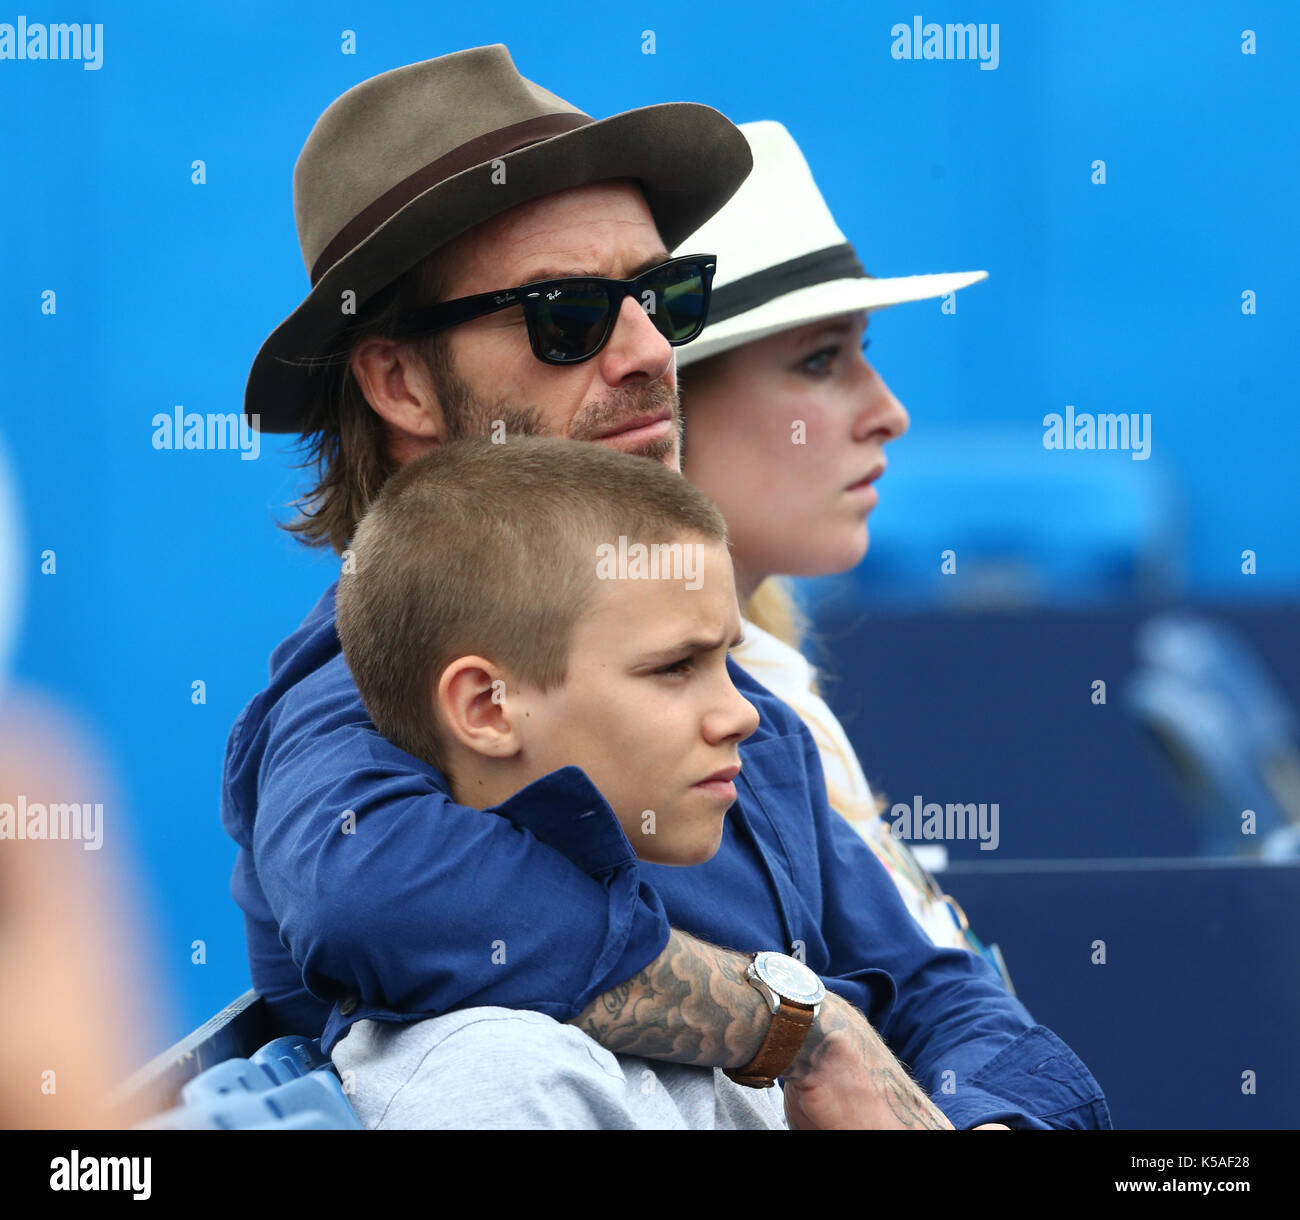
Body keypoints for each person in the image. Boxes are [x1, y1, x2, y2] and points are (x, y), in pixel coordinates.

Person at [222, 44, 1110, 1130]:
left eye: (662, 294)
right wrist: (788, 1021)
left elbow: (943, 991)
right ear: (400, 380)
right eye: (569, 313)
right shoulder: (366, 685)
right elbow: (374, 894)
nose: (649, 348)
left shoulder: (754, 719)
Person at [331, 435, 796, 1127]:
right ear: (488, 708)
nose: (744, 714)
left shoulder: (686, 1002)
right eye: (675, 667)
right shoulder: (493, 1087)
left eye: (728, 660)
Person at [673, 121, 1009, 976]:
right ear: (658, 408)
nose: (888, 411)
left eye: (864, 351)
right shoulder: (661, 742)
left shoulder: (774, 679)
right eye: (821, 362)